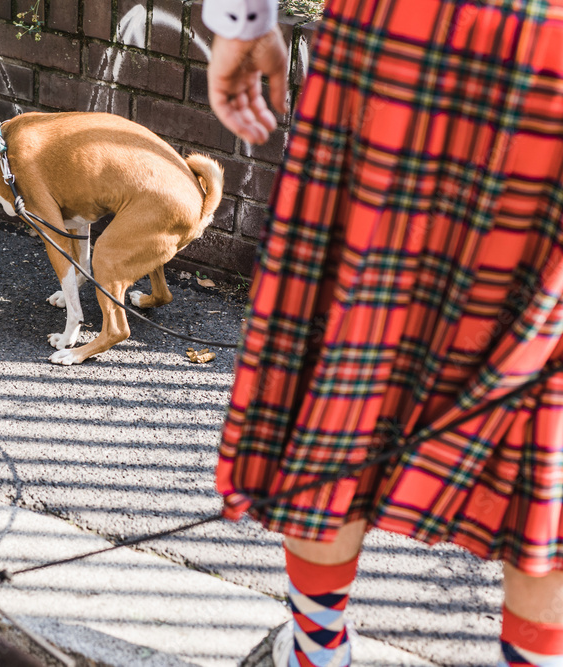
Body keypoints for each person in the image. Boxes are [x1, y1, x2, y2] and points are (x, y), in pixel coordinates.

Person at [203, 0, 563, 665]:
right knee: (552, 410)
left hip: (408, 26)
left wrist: (242, 22)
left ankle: (316, 651)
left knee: (350, 347)